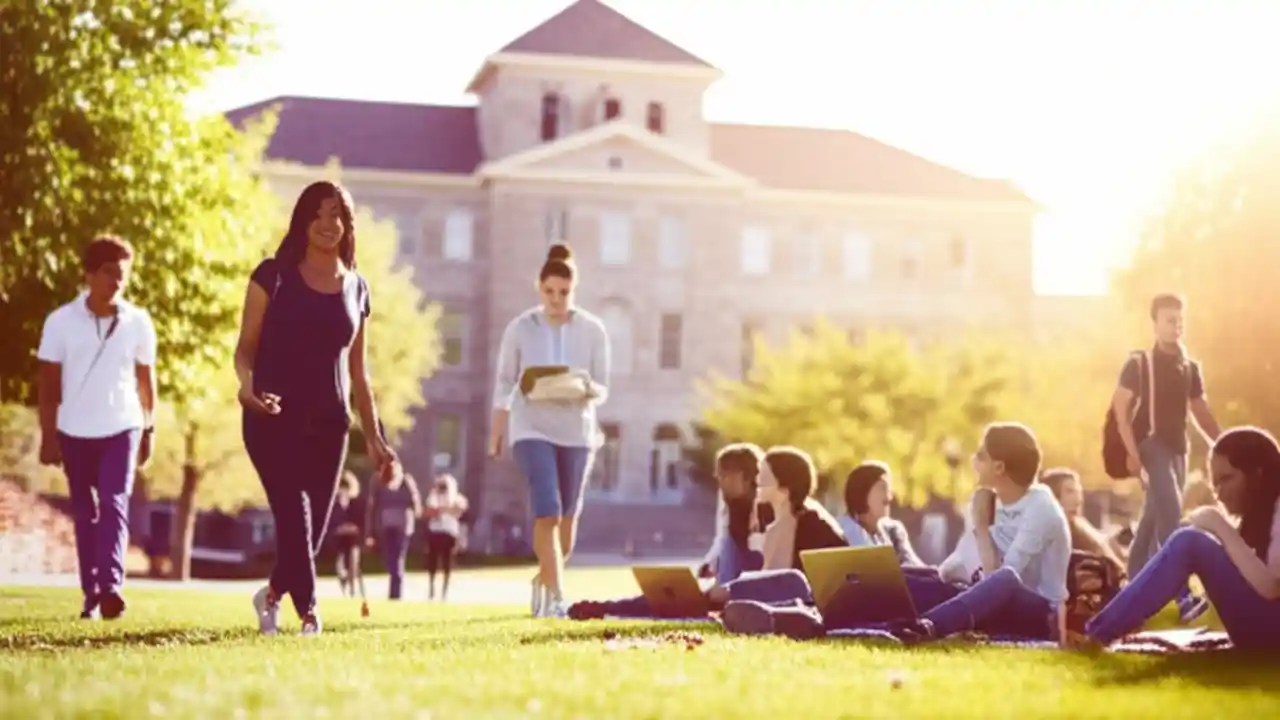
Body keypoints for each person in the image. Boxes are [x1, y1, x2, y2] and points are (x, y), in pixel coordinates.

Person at [234, 180, 400, 637]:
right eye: (319, 214)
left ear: (347, 225)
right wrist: (246, 387)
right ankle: (310, 614)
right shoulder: (273, 276)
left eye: (337, 215)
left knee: (309, 536)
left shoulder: (357, 288)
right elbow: (245, 348)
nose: (328, 224)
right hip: (272, 416)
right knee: (295, 516)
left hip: (330, 425)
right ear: (303, 220)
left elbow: (359, 373)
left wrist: (375, 438)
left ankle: (270, 597)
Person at [37, 236, 157, 620]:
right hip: (74, 431)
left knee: (114, 501)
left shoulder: (138, 322)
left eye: (123, 275)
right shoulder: (59, 322)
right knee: (85, 513)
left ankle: (111, 587)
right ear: (89, 275)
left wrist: (149, 429)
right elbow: (48, 387)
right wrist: (48, 436)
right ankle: (90, 593)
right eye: (108, 273)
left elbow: (146, 381)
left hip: (122, 427)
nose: (116, 282)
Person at [488, 243, 610, 619]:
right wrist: (496, 432)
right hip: (531, 429)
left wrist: (580, 387)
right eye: (549, 291)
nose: (556, 299)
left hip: (577, 432)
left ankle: (544, 578)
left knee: (566, 530)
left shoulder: (593, 330)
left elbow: (602, 387)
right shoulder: (521, 328)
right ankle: (557, 599)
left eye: (564, 292)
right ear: (538, 288)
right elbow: (505, 381)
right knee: (548, 512)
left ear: (574, 290)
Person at [1082, 426, 1280, 649]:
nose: (1219, 493)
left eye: (1227, 478)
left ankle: (1098, 634)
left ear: (1258, 473)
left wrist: (1218, 525)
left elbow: (1272, 587)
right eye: (1215, 483)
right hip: (1267, 629)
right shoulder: (1259, 515)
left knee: (1190, 542)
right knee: (1190, 541)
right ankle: (1101, 630)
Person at [887, 423, 1071, 643]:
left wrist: (982, 527)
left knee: (1006, 577)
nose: (974, 461)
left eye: (981, 456)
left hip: (1037, 614)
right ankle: (875, 625)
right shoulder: (988, 499)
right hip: (982, 598)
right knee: (905, 579)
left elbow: (999, 583)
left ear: (999, 467)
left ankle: (927, 628)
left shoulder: (1041, 509)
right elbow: (955, 566)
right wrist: (929, 578)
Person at [1111, 293, 1221, 621]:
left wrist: (1225, 444)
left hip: (1178, 450)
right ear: (1155, 323)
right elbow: (1120, 411)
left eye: (1180, 320)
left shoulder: (1189, 367)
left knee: (1151, 520)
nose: (1177, 326)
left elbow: (1200, 411)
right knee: (1171, 509)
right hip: (1150, 446)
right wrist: (1132, 454)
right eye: (1170, 320)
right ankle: (1183, 593)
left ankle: (1131, 590)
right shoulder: (1139, 364)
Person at [1040, 467, 1127, 579]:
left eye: (1078, 491)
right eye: (1069, 491)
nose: (1078, 499)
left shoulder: (1085, 533)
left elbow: (1118, 572)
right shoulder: (1038, 537)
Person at [837, 461, 925, 567]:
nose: (889, 497)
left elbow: (917, 568)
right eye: (883, 488)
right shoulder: (841, 533)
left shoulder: (893, 532)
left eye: (889, 490)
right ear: (862, 491)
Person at [367, 470, 422, 601]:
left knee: (397, 558)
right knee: (391, 558)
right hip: (386, 525)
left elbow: (414, 501)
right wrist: (370, 531)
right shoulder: (379, 481)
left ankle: (395, 593)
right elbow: (372, 505)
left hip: (401, 525)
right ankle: (395, 589)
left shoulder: (405, 481)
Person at [424, 472, 469, 601]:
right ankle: (432, 589)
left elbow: (460, 508)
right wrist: (445, 509)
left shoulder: (456, 497)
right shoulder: (433, 496)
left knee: (447, 561)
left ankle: (444, 591)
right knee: (432, 561)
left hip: (449, 532)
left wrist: (442, 509)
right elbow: (429, 512)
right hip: (435, 531)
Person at [331, 472, 367, 612]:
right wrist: (338, 528)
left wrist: (354, 528)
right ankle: (344, 583)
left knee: (353, 562)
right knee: (340, 565)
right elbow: (332, 522)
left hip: (353, 538)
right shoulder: (334, 504)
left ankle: (352, 590)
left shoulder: (356, 502)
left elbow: (361, 520)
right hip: (339, 538)